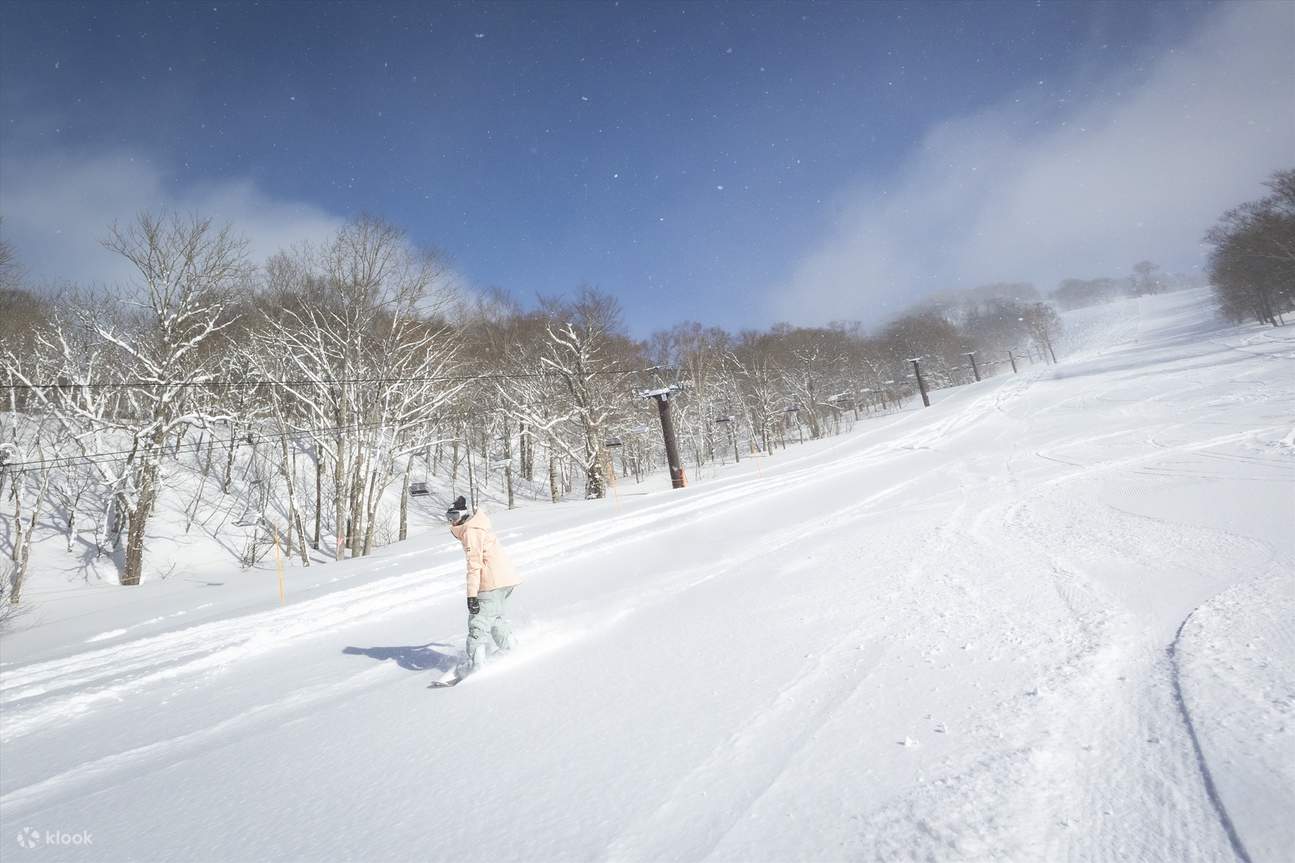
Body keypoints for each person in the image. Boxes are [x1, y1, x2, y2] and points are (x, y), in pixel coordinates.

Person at [446, 496, 521, 673]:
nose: (451, 521)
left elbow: (474, 565)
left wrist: (472, 595)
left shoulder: (471, 532)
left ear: (464, 515)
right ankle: (509, 646)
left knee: (478, 622)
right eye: (448, 517)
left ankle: (476, 664)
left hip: (490, 582)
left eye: (455, 516)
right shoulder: (478, 527)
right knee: (494, 618)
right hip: (505, 579)